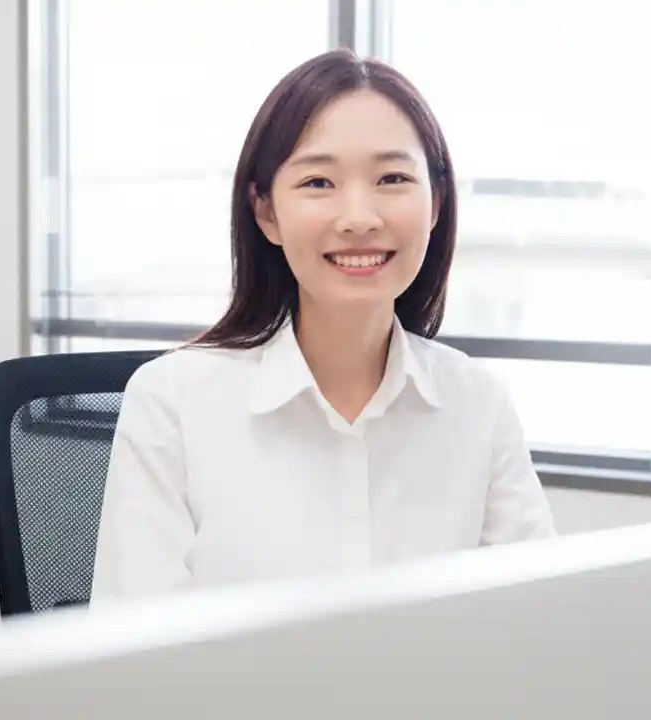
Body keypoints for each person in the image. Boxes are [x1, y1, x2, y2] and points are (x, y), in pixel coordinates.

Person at [91, 48, 554, 605]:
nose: (359, 217)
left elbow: (537, 627)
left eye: (392, 177)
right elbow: (134, 665)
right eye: (318, 183)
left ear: (435, 204)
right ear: (266, 212)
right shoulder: (172, 404)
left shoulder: (477, 404)